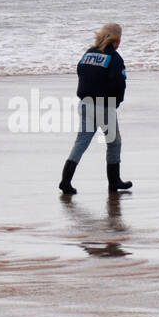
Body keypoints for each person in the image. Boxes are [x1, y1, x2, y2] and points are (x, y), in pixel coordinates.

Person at [59, 22, 132, 195]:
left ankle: (65, 181)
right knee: (114, 143)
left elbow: (80, 72)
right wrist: (116, 103)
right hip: (104, 107)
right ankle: (114, 182)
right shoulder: (114, 58)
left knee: (81, 142)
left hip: (85, 104)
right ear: (117, 39)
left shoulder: (88, 54)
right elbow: (119, 84)